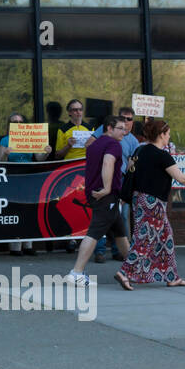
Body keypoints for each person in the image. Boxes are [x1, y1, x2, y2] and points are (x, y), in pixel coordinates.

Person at [114, 118, 185, 290]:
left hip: (140, 199)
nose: (169, 137)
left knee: (166, 236)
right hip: (153, 202)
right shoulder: (161, 155)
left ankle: (171, 276)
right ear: (161, 135)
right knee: (144, 239)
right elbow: (181, 177)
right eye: (167, 134)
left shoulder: (140, 150)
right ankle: (125, 272)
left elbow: (130, 169)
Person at [67, 115, 130, 286]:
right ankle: (76, 273)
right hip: (105, 195)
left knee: (120, 232)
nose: (124, 132)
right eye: (120, 128)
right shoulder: (113, 144)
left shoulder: (94, 145)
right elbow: (108, 163)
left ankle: (132, 269)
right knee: (94, 232)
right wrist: (107, 188)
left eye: (124, 129)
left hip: (97, 193)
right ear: (109, 128)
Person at [89, 106, 140, 263]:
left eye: (128, 119)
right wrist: (106, 186)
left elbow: (133, 165)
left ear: (132, 122)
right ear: (111, 127)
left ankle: (123, 256)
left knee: (121, 218)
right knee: (100, 220)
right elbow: (91, 146)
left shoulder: (133, 141)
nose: (125, 122)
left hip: (122, 179)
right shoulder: (109, 138)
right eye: (122, 119)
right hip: (104, 181)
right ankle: (100, 251)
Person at [0, 113, 47, 256]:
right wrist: (6, 154)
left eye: (20, 121)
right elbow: (0, 162)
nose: (18, 124)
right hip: (13, 178)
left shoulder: (30, 137)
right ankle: (15, 246)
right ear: (10, 125)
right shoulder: (5, 140)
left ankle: (28, 244)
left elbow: (39, 158)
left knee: (29, 210)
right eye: (14, 122)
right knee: (15, 210)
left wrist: (45, 152)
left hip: (29, 177)